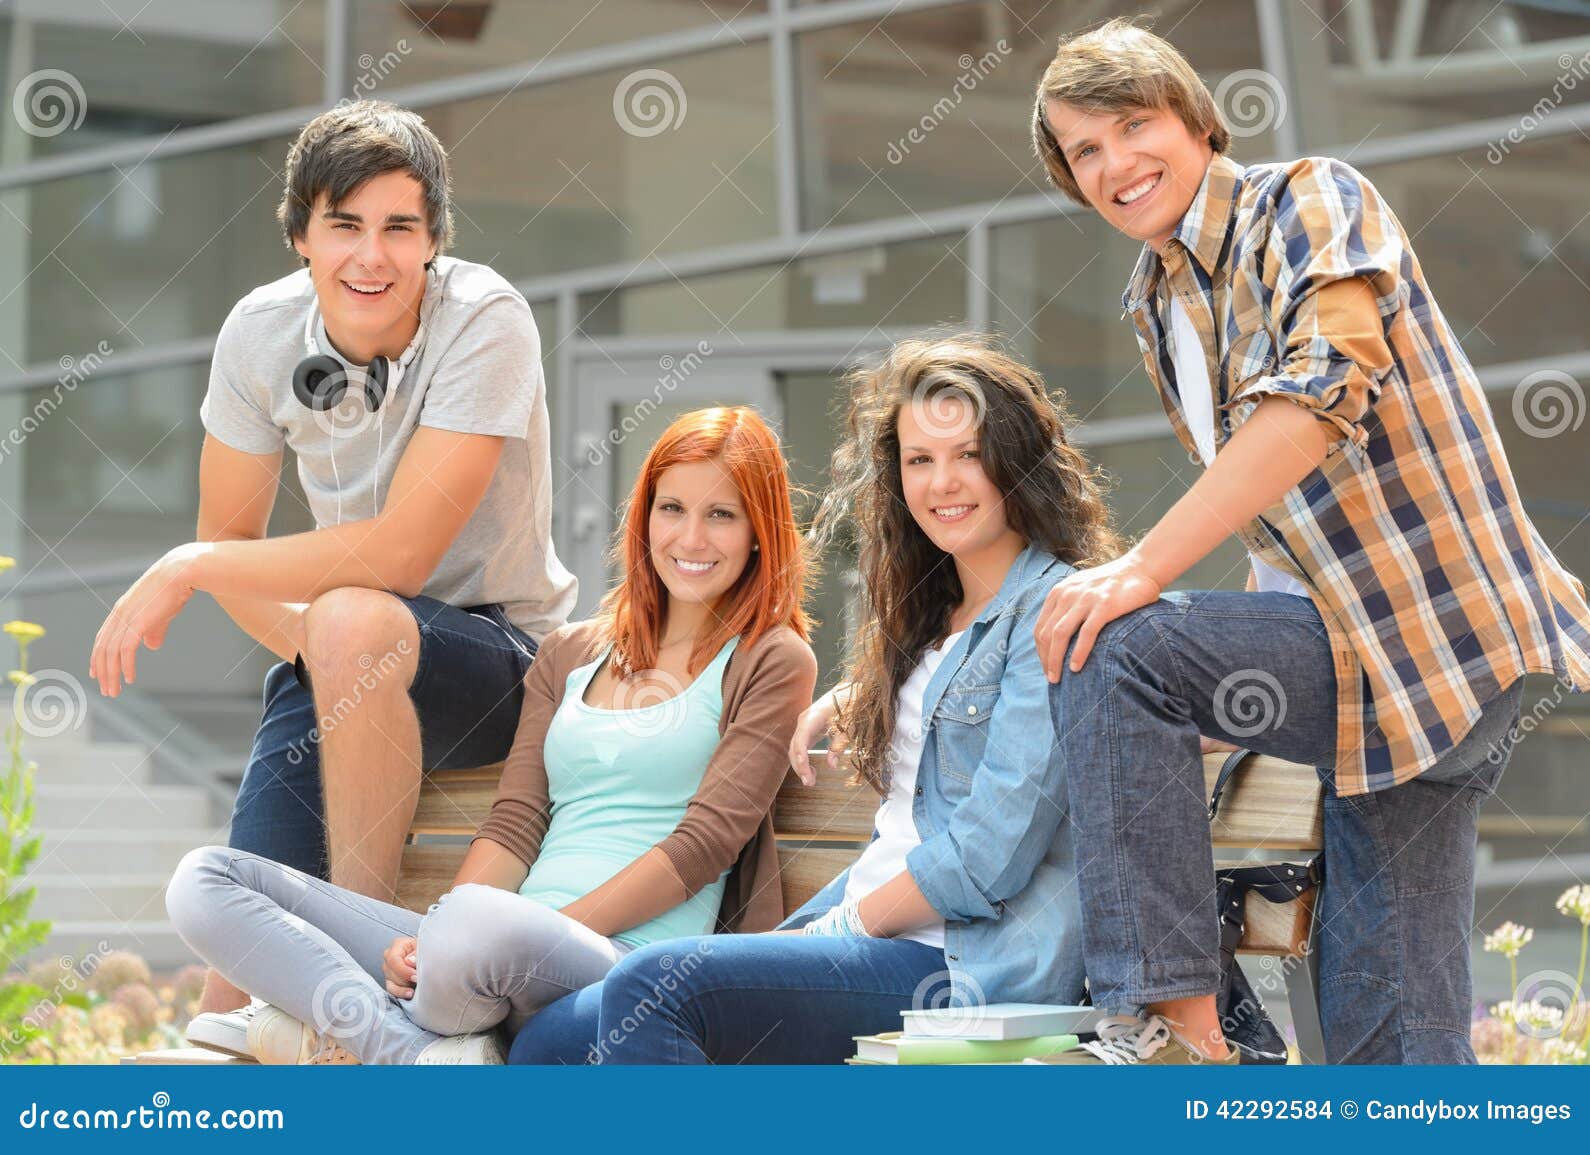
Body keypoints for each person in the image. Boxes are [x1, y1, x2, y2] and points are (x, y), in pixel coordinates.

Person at [1028, 19, 1590, 1063]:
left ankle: (1174, 1029)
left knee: (1117, 640)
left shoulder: (1306, 199)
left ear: (1196, 120)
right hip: (1346, 659)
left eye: (1132, 125)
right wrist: (1220, 696)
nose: (1114, 164)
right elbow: (1275, 517)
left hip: (1435, 638)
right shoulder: (1157, 300)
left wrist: (1146, 575)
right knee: (1385, 1033)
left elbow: (1320, 397)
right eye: (1084, 151)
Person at [88, 100, 577, 1037]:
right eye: (343, 225)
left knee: (351, 612)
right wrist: (331, 647)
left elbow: (400, 554)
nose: (372, 255)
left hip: (505, 663)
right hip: (353, 651)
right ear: (301, 236)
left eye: (400, 226)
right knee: (221, 1016)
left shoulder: (486, 319)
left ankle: (359, 999)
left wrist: (194, 563)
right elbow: (243, 561)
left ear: (434, 238)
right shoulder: (260, 333)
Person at [510, 336, 1121, 1064]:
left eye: (968, 454)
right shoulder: (933, 622)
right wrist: (863, 689)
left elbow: (988, 855)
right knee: (554, 1037)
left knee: (662, 985)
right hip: (865, 937)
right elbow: (918, 793)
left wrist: (844, 926)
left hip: (956, 966)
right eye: (919, 460)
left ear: (1014, 461)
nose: (942, 482)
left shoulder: (1055, 611)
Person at [165, 406, 817, 1064]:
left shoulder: (773, 659)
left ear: (760, 531)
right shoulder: (569, 653)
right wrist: (439, 933)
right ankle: (411, 1052)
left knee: (480, 927)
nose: (692, 537)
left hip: (620, 957)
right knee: (206, 880)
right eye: (672, 507)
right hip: (491, 941)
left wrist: (522, 928)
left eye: (722, 515)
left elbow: (703, 846)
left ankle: (345, 1029)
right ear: (645, 515)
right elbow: (515, 822)